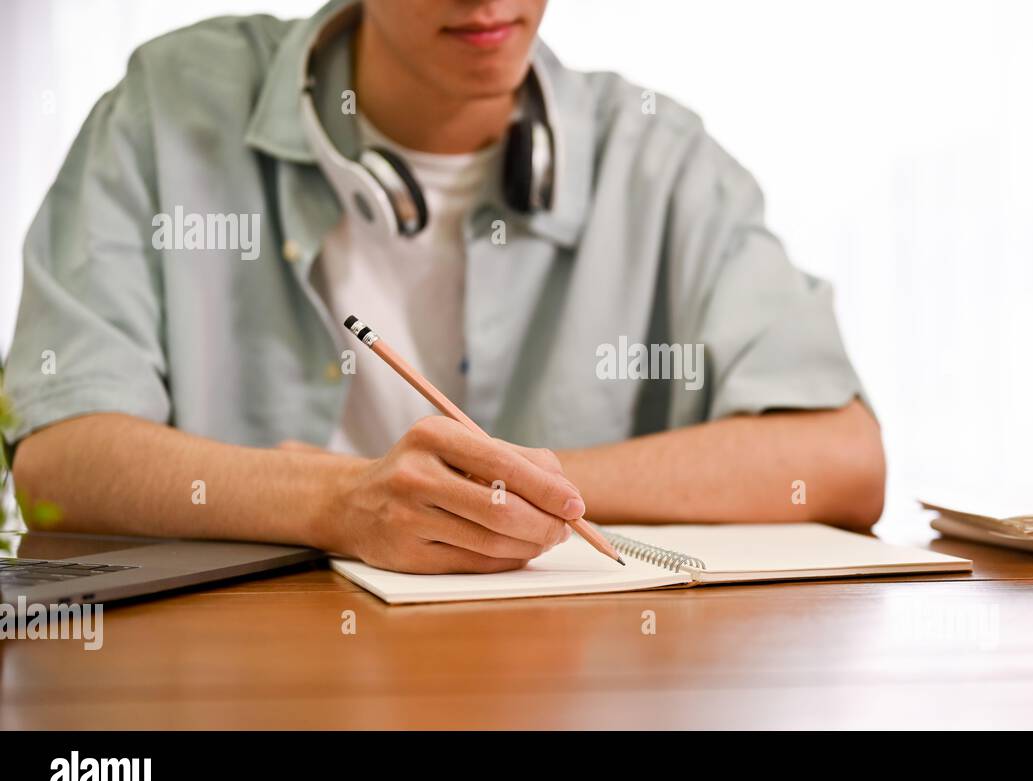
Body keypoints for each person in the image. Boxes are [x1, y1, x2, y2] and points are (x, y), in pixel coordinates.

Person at [4, 0, 885, 573]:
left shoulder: (660, 157)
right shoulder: (170, 105)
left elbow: (843, 459)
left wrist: (508, 490)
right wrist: (341, 501)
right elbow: (56, 461)